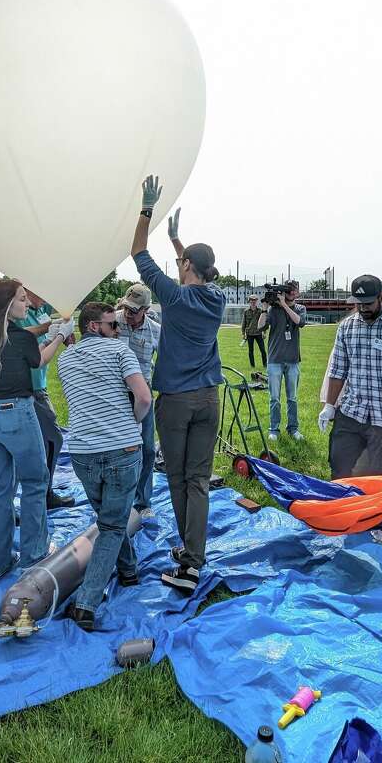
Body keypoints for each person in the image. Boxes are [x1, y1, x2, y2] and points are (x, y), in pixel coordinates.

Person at [131, 176, 225, 594]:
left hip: (176, 403)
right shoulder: (217, 298)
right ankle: (193, 550)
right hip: (209, 398)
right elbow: (194, 270)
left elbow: (137, 252)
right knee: (199, 479)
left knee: (179, 479)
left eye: (182, 262)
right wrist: (178, 243)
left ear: (186, 267)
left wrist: (147, 210)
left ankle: (189, 565)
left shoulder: (174, 298)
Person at [0, 278, 74, 582]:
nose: (27, 303)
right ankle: (34, 555)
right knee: (35, 481)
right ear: (7, 305)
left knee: (0, 488)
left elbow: (22, 350)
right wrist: (58, 336)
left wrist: (46, 336)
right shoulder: (21, 338)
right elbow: (39, 360)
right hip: (16, 413)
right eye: (21, 299)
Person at [57, 302, 152, 630]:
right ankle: (86, 603)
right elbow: (143, 398)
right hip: (122, 450)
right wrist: (133, 424)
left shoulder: (66, 358)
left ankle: (128, 571)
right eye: (113, 324)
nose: (119, 329)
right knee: (112, 525)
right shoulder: (120, 351)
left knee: (109, 518)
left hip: (82, 452)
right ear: (95, 326)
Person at [318, 274, 382, 478]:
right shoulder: (346, 327)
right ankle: (342, 503)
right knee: (339, 463)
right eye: (359, 304)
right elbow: (338, 370)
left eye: (368, 303)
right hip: (351, 411)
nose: (363, 308)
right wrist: (329, 405)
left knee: (381, 474)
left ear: (381, 298)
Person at [21, 288, 76, 510]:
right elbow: (21, 336)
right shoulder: (18, 313)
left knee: (46, 441)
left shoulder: (40, 309)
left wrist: (62, 333)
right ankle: (43, 493)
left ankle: (42, 491)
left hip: (37, 386)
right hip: (28, 388)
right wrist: (52, 330)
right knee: (53, 438)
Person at [116, 283, 162, 515]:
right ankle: (115, 499)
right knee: (117, 448)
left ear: (145, 309)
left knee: (146, 449)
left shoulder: (155, 331)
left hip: (142, 396)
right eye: (125, 308)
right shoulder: (112, 323)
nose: (127, 314)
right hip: (114, 397)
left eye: (134, 310)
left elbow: (164, 364)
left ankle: (143, 502)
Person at [258, 282, 307, 441]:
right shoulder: (273, 310)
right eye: (289, 291)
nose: (292, 293)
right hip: (275, 361)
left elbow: (300, 322)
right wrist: (265, 308)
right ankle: (274, 429)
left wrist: (285, 305)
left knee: (292, 398)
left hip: (292, 361)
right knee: (275, 398)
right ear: (284, 292)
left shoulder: (300, 308)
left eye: (294, 290)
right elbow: (260, 327)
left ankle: (293, 428)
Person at [241, 295, 267, 367]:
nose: (253, 302)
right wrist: (243, 334)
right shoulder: (246, 311)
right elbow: (244, 323)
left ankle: (265, 365)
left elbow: (264, 322)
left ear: (256, 301)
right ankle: (252, 365)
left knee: (263, 350)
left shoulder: (260, 310)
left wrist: (264, 332)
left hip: (258, 333)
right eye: (252, 300)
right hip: (249, 333)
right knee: (250, 351)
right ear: (249, 301)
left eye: (255, 300)